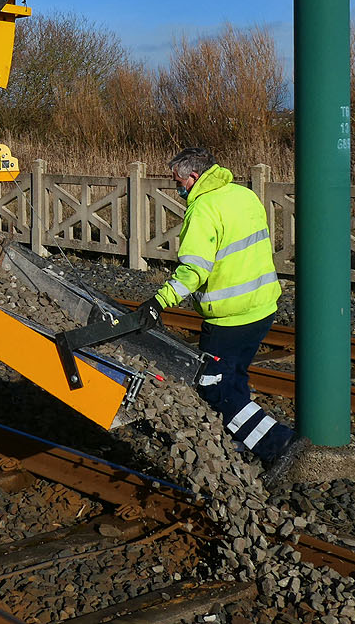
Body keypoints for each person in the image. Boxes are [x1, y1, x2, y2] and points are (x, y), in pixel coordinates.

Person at [129, 147, 307, 482]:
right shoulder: (243, 194)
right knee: (235, 378)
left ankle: (278, 444)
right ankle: (242, 441)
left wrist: (158, 301)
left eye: (178, 182)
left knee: (214, 387)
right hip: (262, 307)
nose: (178, 189)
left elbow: (194, 271)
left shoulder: (203, 209)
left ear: (193, 178)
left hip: (229, 318)